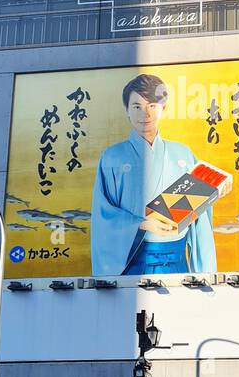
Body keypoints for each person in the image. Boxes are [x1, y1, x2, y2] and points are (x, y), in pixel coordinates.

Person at [90, 73, 220, 276]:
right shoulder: (112, 157)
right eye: (137, 107)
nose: (145, 114)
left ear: (163, 108)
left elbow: (200, 216)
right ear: (126, 110)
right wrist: (141, 224)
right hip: (131, 260)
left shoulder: (183, 153)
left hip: (176, 257)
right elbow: (104, 214)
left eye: (152, 105)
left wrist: (205, 272)